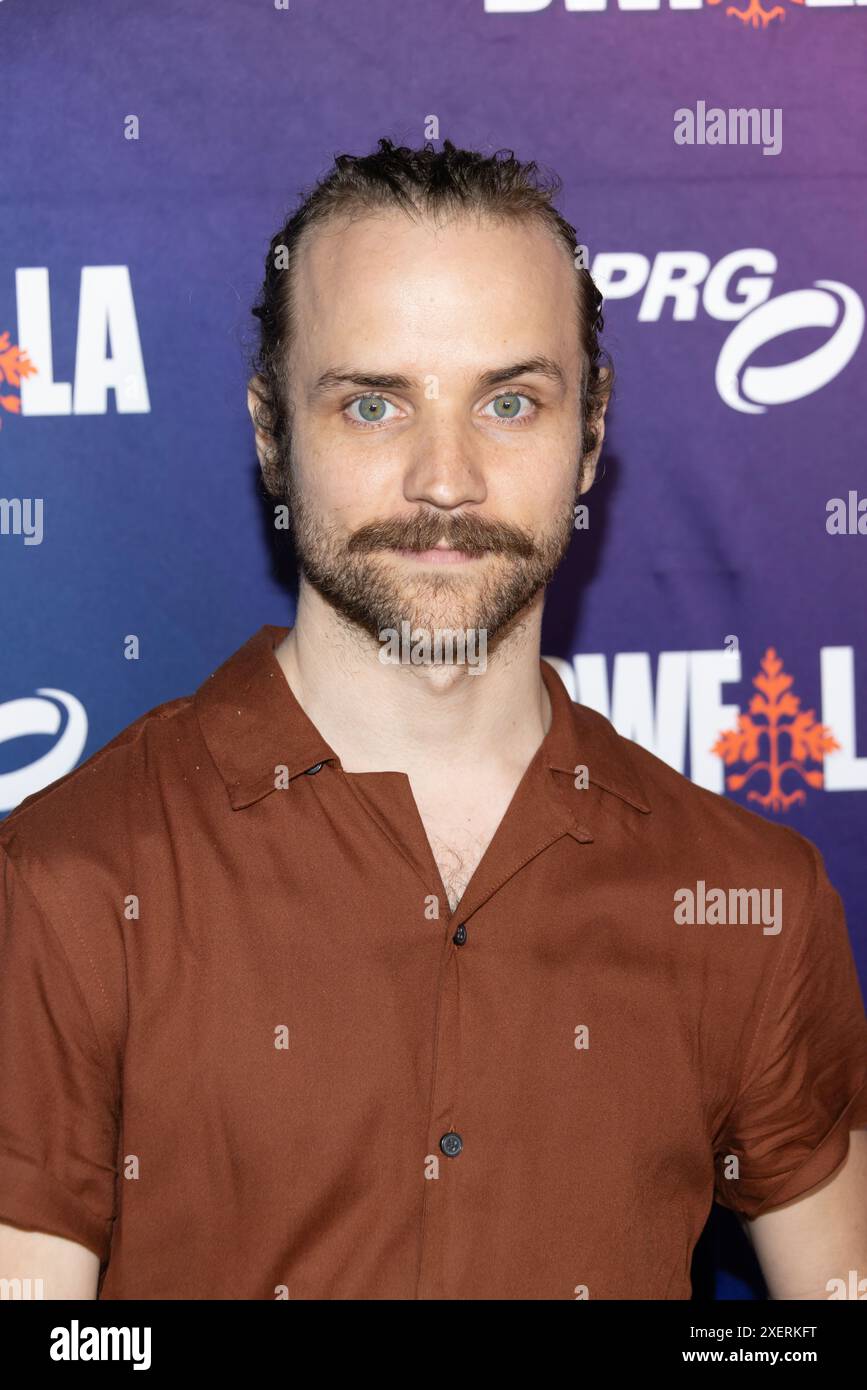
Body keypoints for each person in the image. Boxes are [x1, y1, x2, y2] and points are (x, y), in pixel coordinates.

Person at [1, 139, 865, 1300]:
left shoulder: (748, 897)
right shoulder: (68, 880)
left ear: (591, 435)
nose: (445, 478)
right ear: (273, 434)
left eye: (509, 402)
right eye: (372, 403)